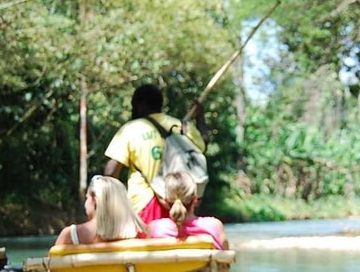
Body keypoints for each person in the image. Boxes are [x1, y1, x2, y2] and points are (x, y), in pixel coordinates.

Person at [103, 84, 206, 224]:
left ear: (140, 105)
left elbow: (111, 172)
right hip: (183, 206)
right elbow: (203, 144)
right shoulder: (183, 127)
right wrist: (200, 117)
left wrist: (109, 206)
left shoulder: (130, 129)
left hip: (143, 205)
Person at [54, 175, 147, 246]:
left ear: (94, 200)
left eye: (87, 198)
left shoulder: (70, 235)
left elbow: (52, 269)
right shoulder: (138, 233)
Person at [147, 170, 229, 249]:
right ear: (195, 199)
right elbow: (226, 261)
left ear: (166, 201)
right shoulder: (214, 227)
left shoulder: (154, 229)